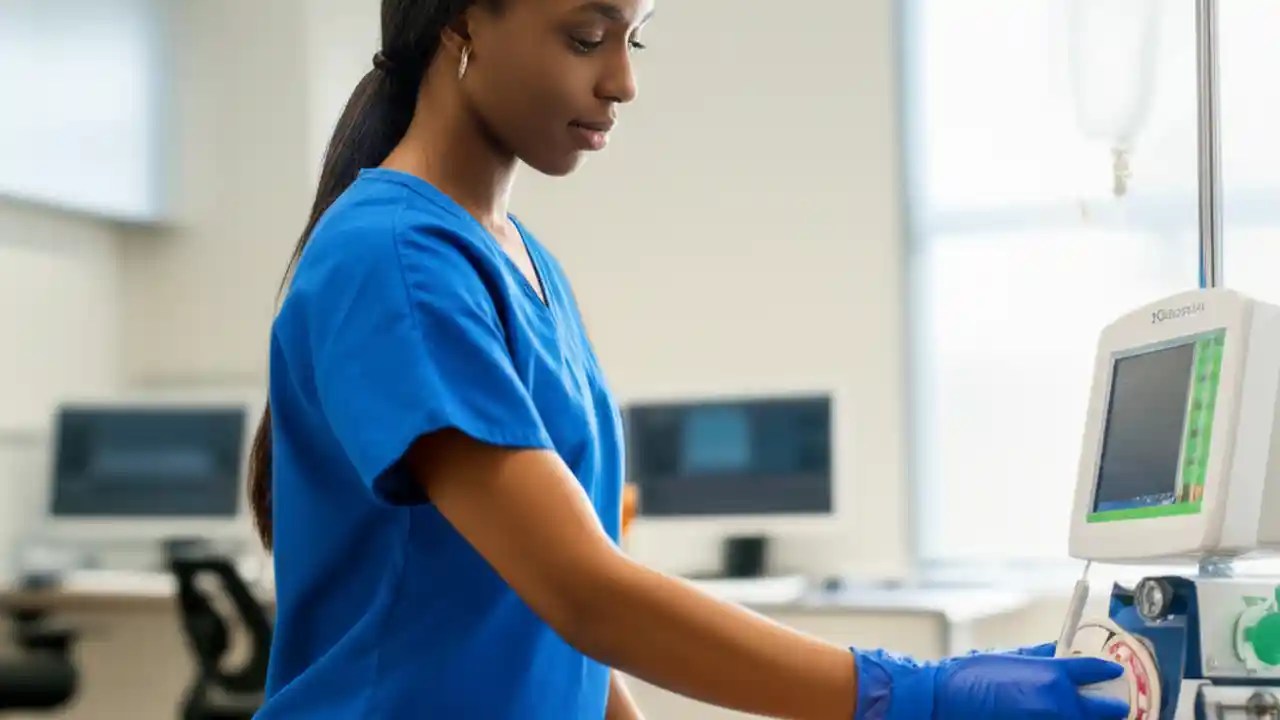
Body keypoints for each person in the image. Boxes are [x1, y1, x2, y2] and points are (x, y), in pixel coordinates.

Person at [247, 0, 1133, 718]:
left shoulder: (520, 261)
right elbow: (582, 591)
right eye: (587, 36)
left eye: (634, 39)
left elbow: (550, 631)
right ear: (462, 24)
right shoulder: (393, 259)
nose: (624, 81)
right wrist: (910, 695)